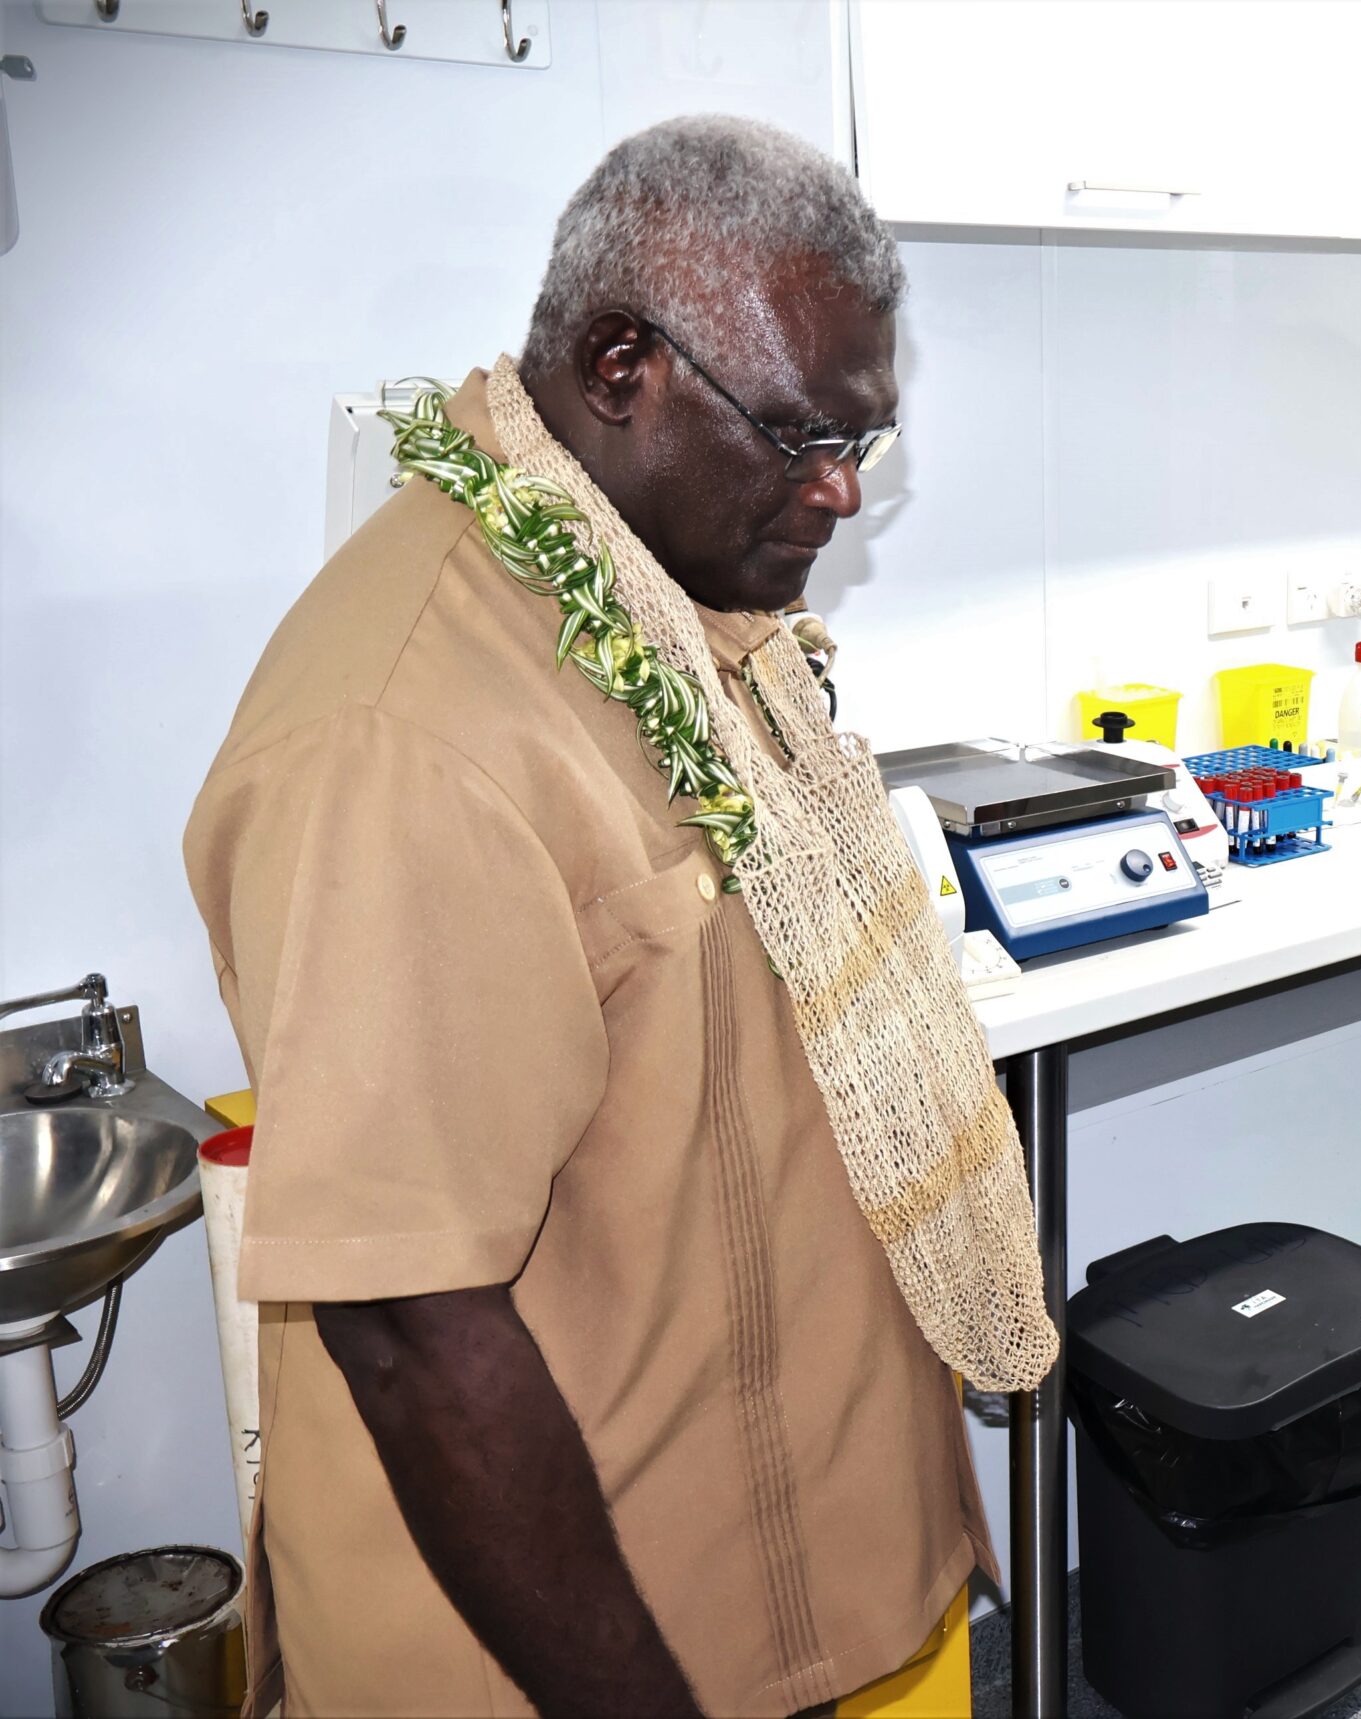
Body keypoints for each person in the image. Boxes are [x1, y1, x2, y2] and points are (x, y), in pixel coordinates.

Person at [184, 115, 1056, 1718]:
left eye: (865, 439)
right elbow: (412, 1329)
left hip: (814, 1586)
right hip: (615, 1662)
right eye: (803, 436)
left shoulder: (688, 612)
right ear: (618, 365)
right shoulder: (410, 738)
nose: (845, 491)